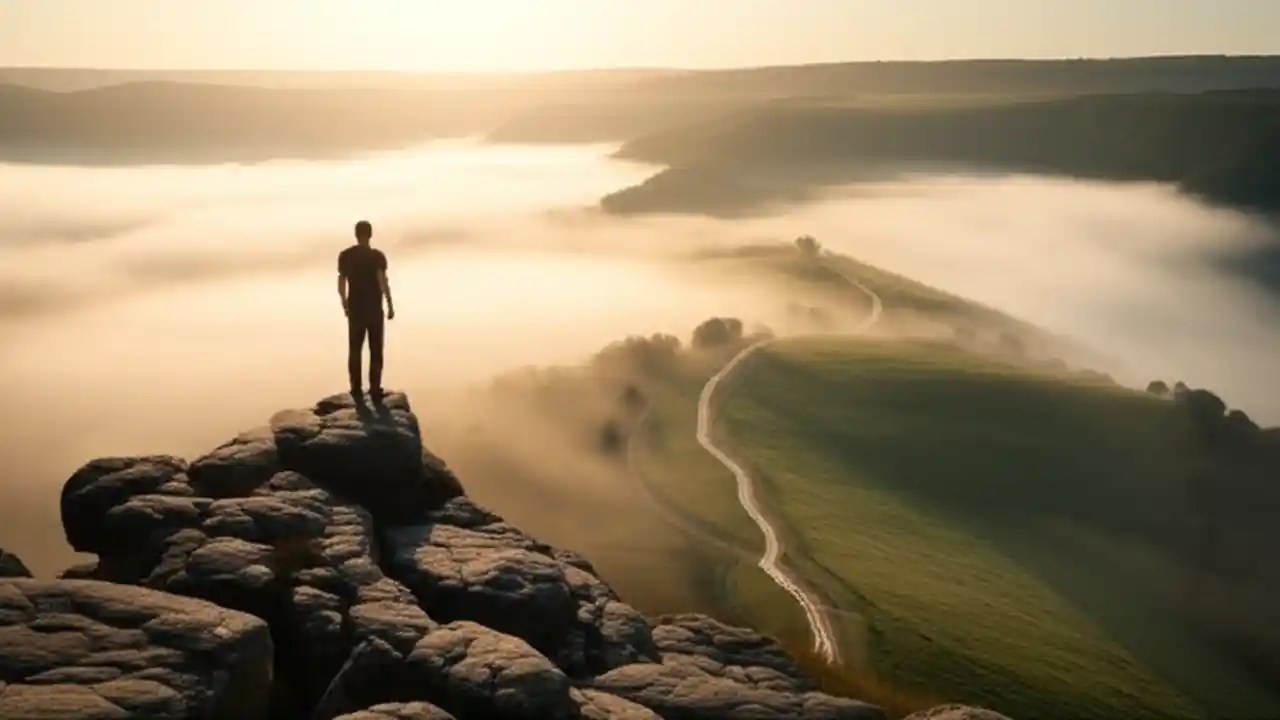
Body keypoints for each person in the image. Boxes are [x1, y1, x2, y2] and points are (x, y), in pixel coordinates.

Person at [338, 220, 395, 398]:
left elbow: (341, 282)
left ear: (356, 234)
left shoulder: (346, 256)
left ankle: (355, 388)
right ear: (370, 234)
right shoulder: (377, 257)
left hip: (356, 309)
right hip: (374, 309)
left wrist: (344, 302)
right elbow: (382, 281)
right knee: (376, 349)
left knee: (355, 349)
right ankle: (375, 388)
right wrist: (390, 304)